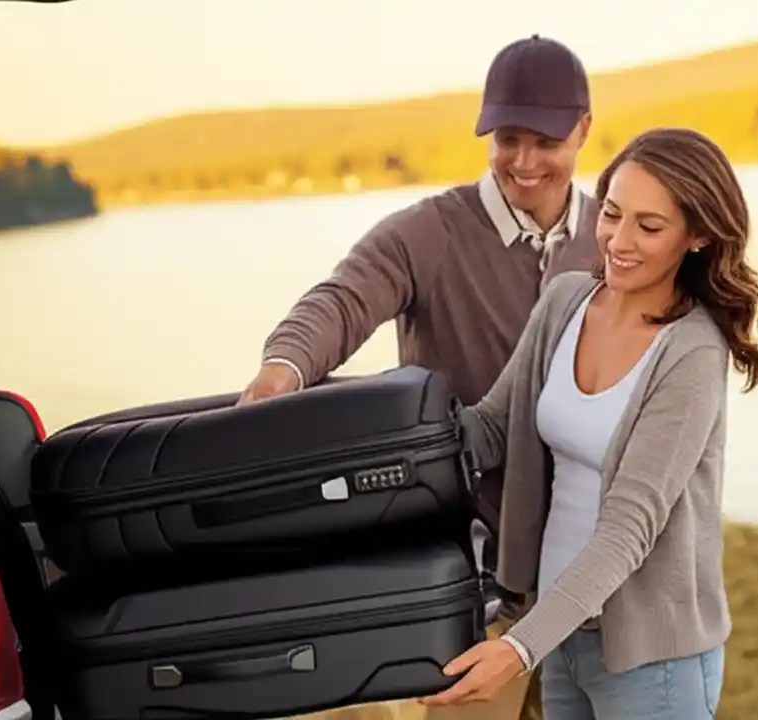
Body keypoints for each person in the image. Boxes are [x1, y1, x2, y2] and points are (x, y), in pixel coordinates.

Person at [239, 33, 601, 720]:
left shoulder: (609, 239)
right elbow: (342, 299)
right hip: (473, 585)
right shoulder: (428, 232)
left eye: (544, 141)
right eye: (506, 138)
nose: (522, 163)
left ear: (584, 129)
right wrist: (284, 368)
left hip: (587, 581)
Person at [417, 127, 758, 719]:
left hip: (650, 660)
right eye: (611, 214)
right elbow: (490, 431)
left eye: (649, 226)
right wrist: (380, 429)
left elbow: (628, 528)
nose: (619, 241)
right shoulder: (566, 302)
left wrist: (517, 649)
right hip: (559, 634)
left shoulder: (691, 353)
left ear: (699, 236)